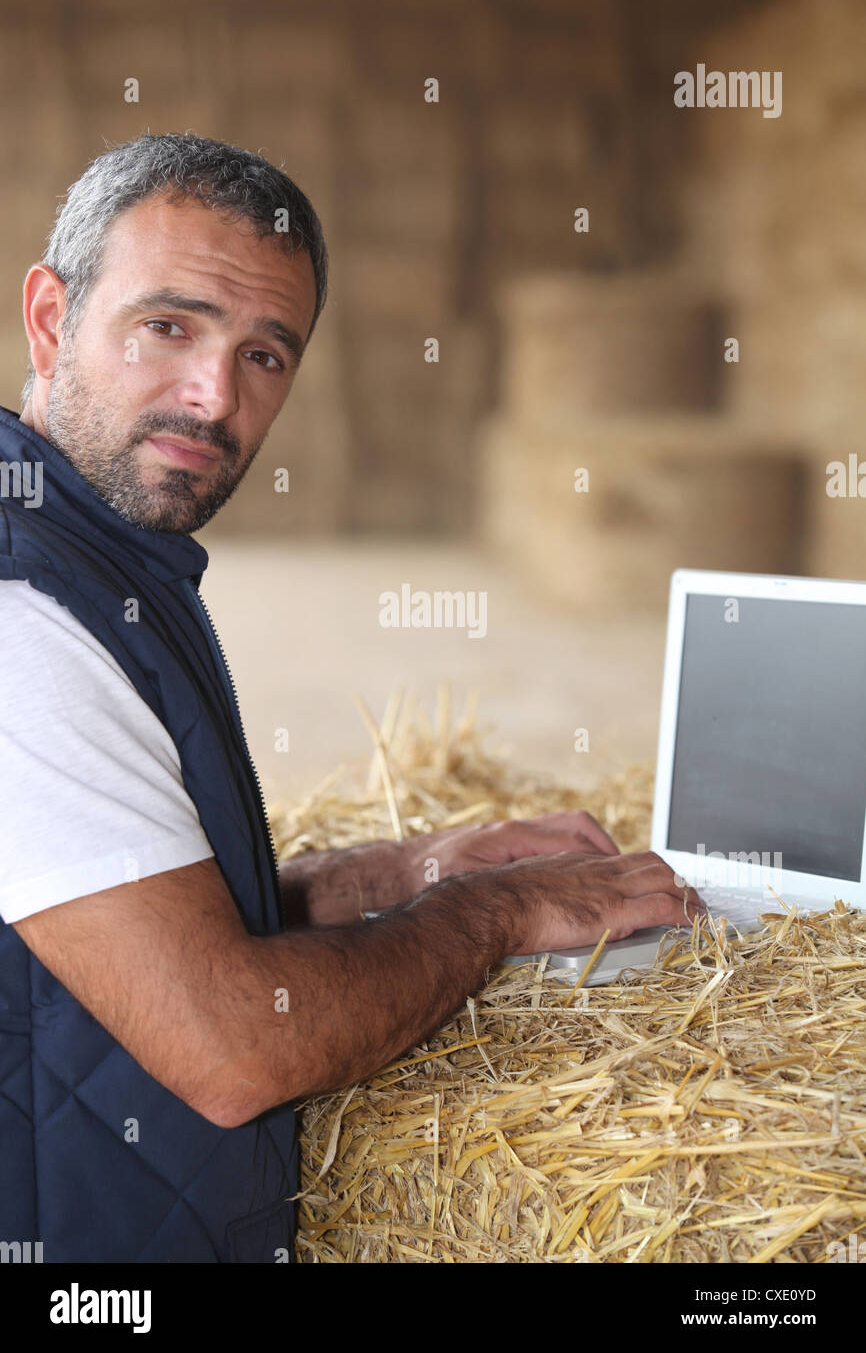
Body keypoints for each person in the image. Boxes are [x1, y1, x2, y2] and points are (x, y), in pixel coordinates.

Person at [0, 132, 703, 1263]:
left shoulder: (96, 556)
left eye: (265, 354)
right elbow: (234, 1051)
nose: (212, 397)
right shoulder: (24, 617)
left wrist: (402, 871)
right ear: (49, 319)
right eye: (167, 326)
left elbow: (106, 913)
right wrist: (497, 912)